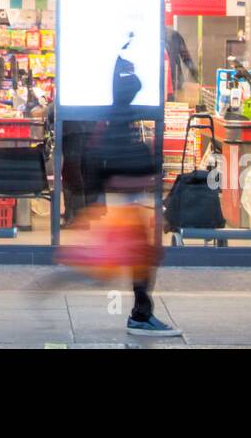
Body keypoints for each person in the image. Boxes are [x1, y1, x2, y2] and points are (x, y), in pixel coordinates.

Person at [79, 52, 179, 337]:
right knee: (140, 257)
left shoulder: (115, 114)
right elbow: (123, 156)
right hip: (127, 199)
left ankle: (141, 312)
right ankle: (140, 314)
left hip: (126, 198)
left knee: (138, 256)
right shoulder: (121, 115)